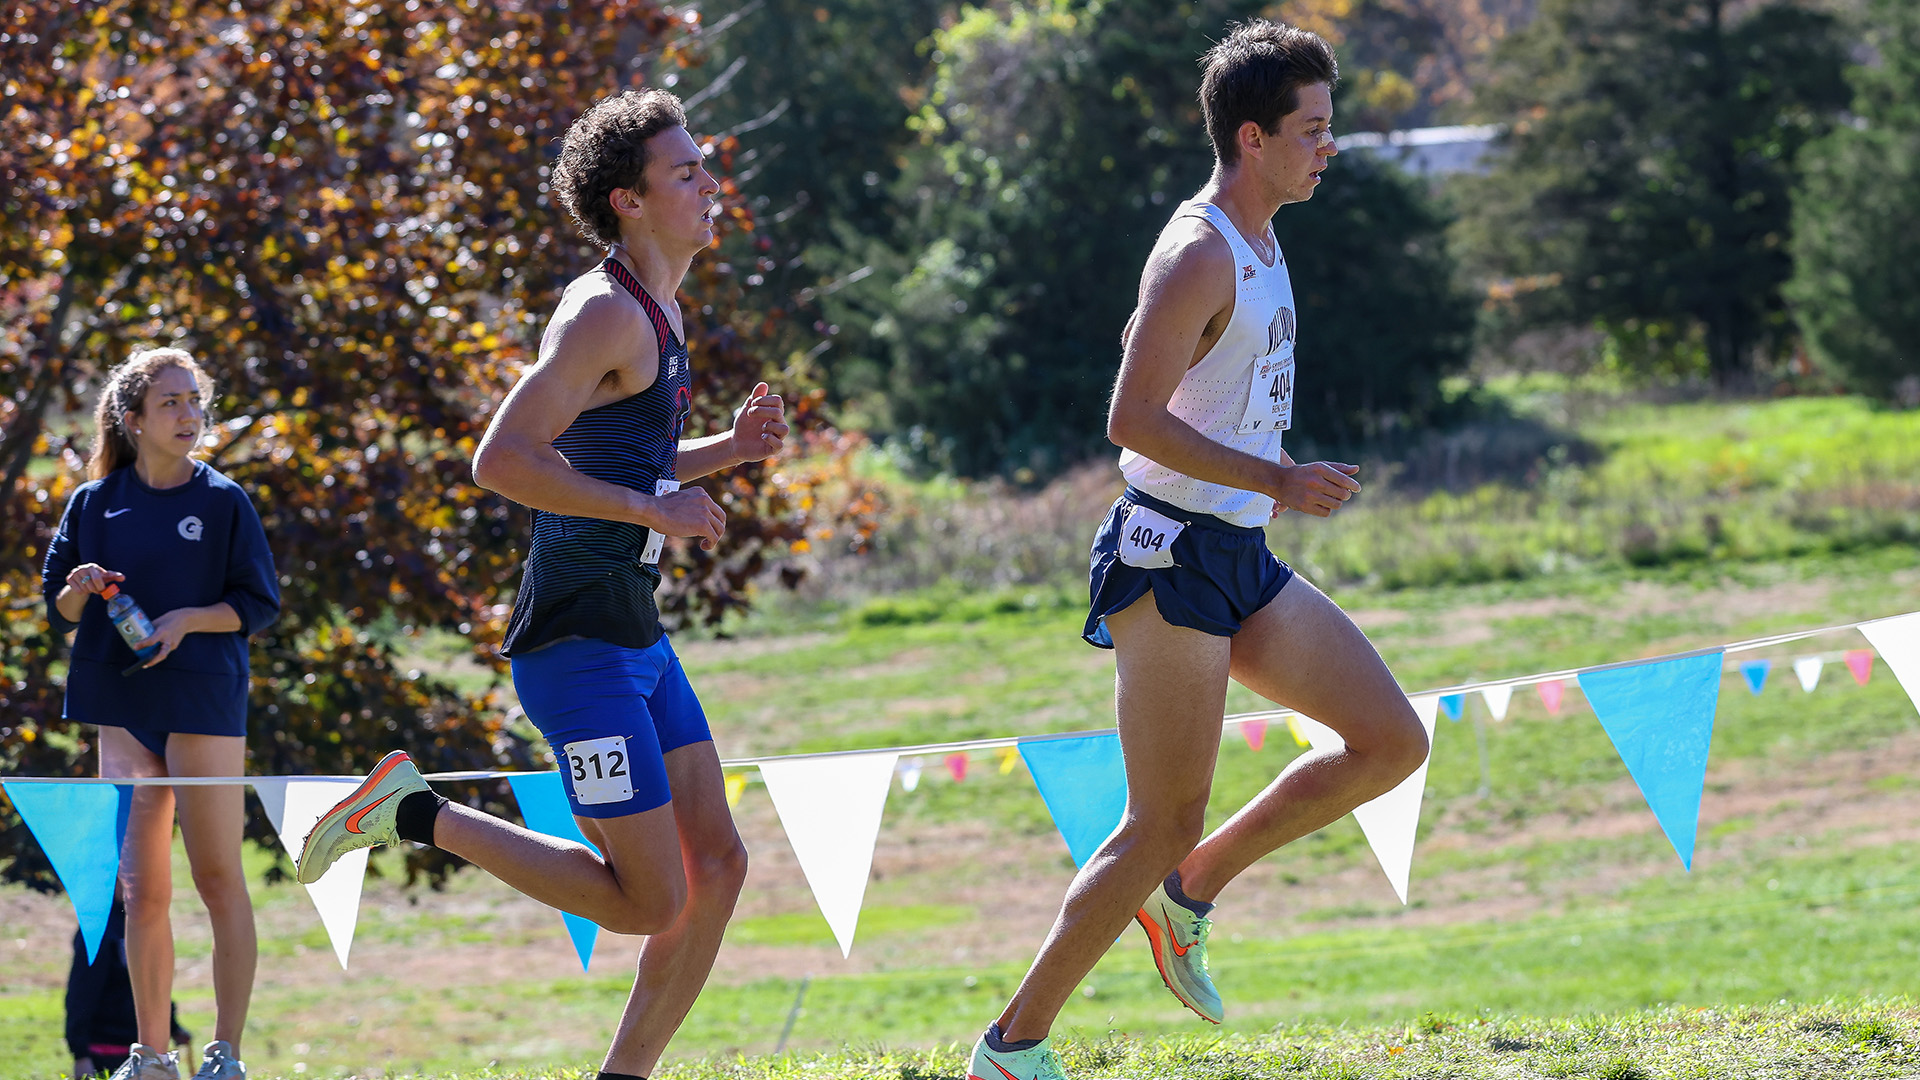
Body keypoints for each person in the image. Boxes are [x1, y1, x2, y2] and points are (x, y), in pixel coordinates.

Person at [966, 21, 1431, 1080]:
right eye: (1315, 129)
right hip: (1168, 556)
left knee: (1391, 741)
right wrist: (1277, 477)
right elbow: (1129, 418)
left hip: (1237, 550)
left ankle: (1190, 897)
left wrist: (1268, 482)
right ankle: (1009, 1051)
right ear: (1254, 136)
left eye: (1332, 126)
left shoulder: (1265, 236)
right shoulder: (1197, 252)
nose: (1331, 146)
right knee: (1153, 823)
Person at [296, 88, 787, 1080]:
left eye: (703, 164)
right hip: (574, 655)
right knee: (650, 901)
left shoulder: (659, 304)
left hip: (634, 638)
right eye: (685, 171)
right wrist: (659, 512)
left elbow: (615, 458)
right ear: (628, 202)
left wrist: (721, 454)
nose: (708, 184)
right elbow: (502, 459)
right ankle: (411, 811)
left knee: (721, 868)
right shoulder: (604, 313)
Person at [43, 347, 282, 1080]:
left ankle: (224, 1054)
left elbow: (257, 603)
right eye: (171, 403)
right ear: (133, 418)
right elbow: (61, 603)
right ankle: (149, 1057)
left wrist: (186, 620)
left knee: (217, 880)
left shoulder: (223, 501)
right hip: (122, 704)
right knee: (141, 891)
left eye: (193, 401)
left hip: (203, 701)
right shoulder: (94, 502)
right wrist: (82, 583)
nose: (188, 415)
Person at [66, 893, 193, 1079]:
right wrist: (81, 1055)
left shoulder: (146, 923)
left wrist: (173, 1026)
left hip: (146, 1049)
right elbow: (81, 993)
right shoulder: (97, 928)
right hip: (105, 1051)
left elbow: (154, 985)